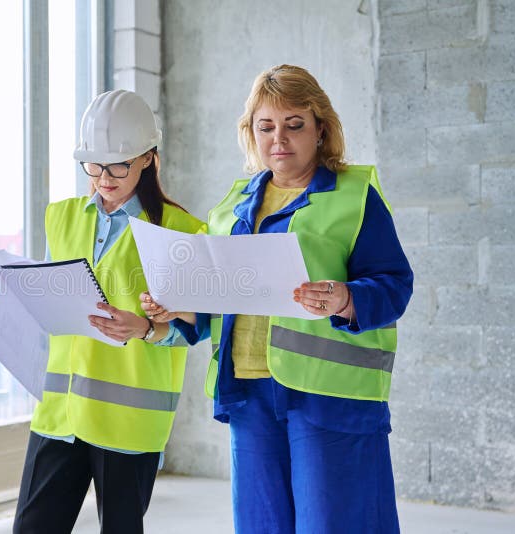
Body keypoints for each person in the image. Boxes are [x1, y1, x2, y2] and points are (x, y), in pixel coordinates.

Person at [140, 65, 413, 533]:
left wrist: (345, 297)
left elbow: (394, 283)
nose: (279, 139)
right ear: (251, 132)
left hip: (326, 394)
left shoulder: (354, 196)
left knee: (331, 523)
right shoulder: (231, 207)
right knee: (261, 524)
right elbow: (216, 304)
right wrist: (178, 308)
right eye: (266, 127)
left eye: (294, 124)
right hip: (247, 389)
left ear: (320, 128)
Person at [0, 89, 205, 534]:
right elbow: (52, 305)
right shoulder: (61, 218)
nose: (104, 176)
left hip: (128, 423)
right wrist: (13, 298)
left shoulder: (181, 230)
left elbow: (196, 328)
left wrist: (146, 329)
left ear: (148, 158)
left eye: (119, 164)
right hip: (59, 415)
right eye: (94, 164)